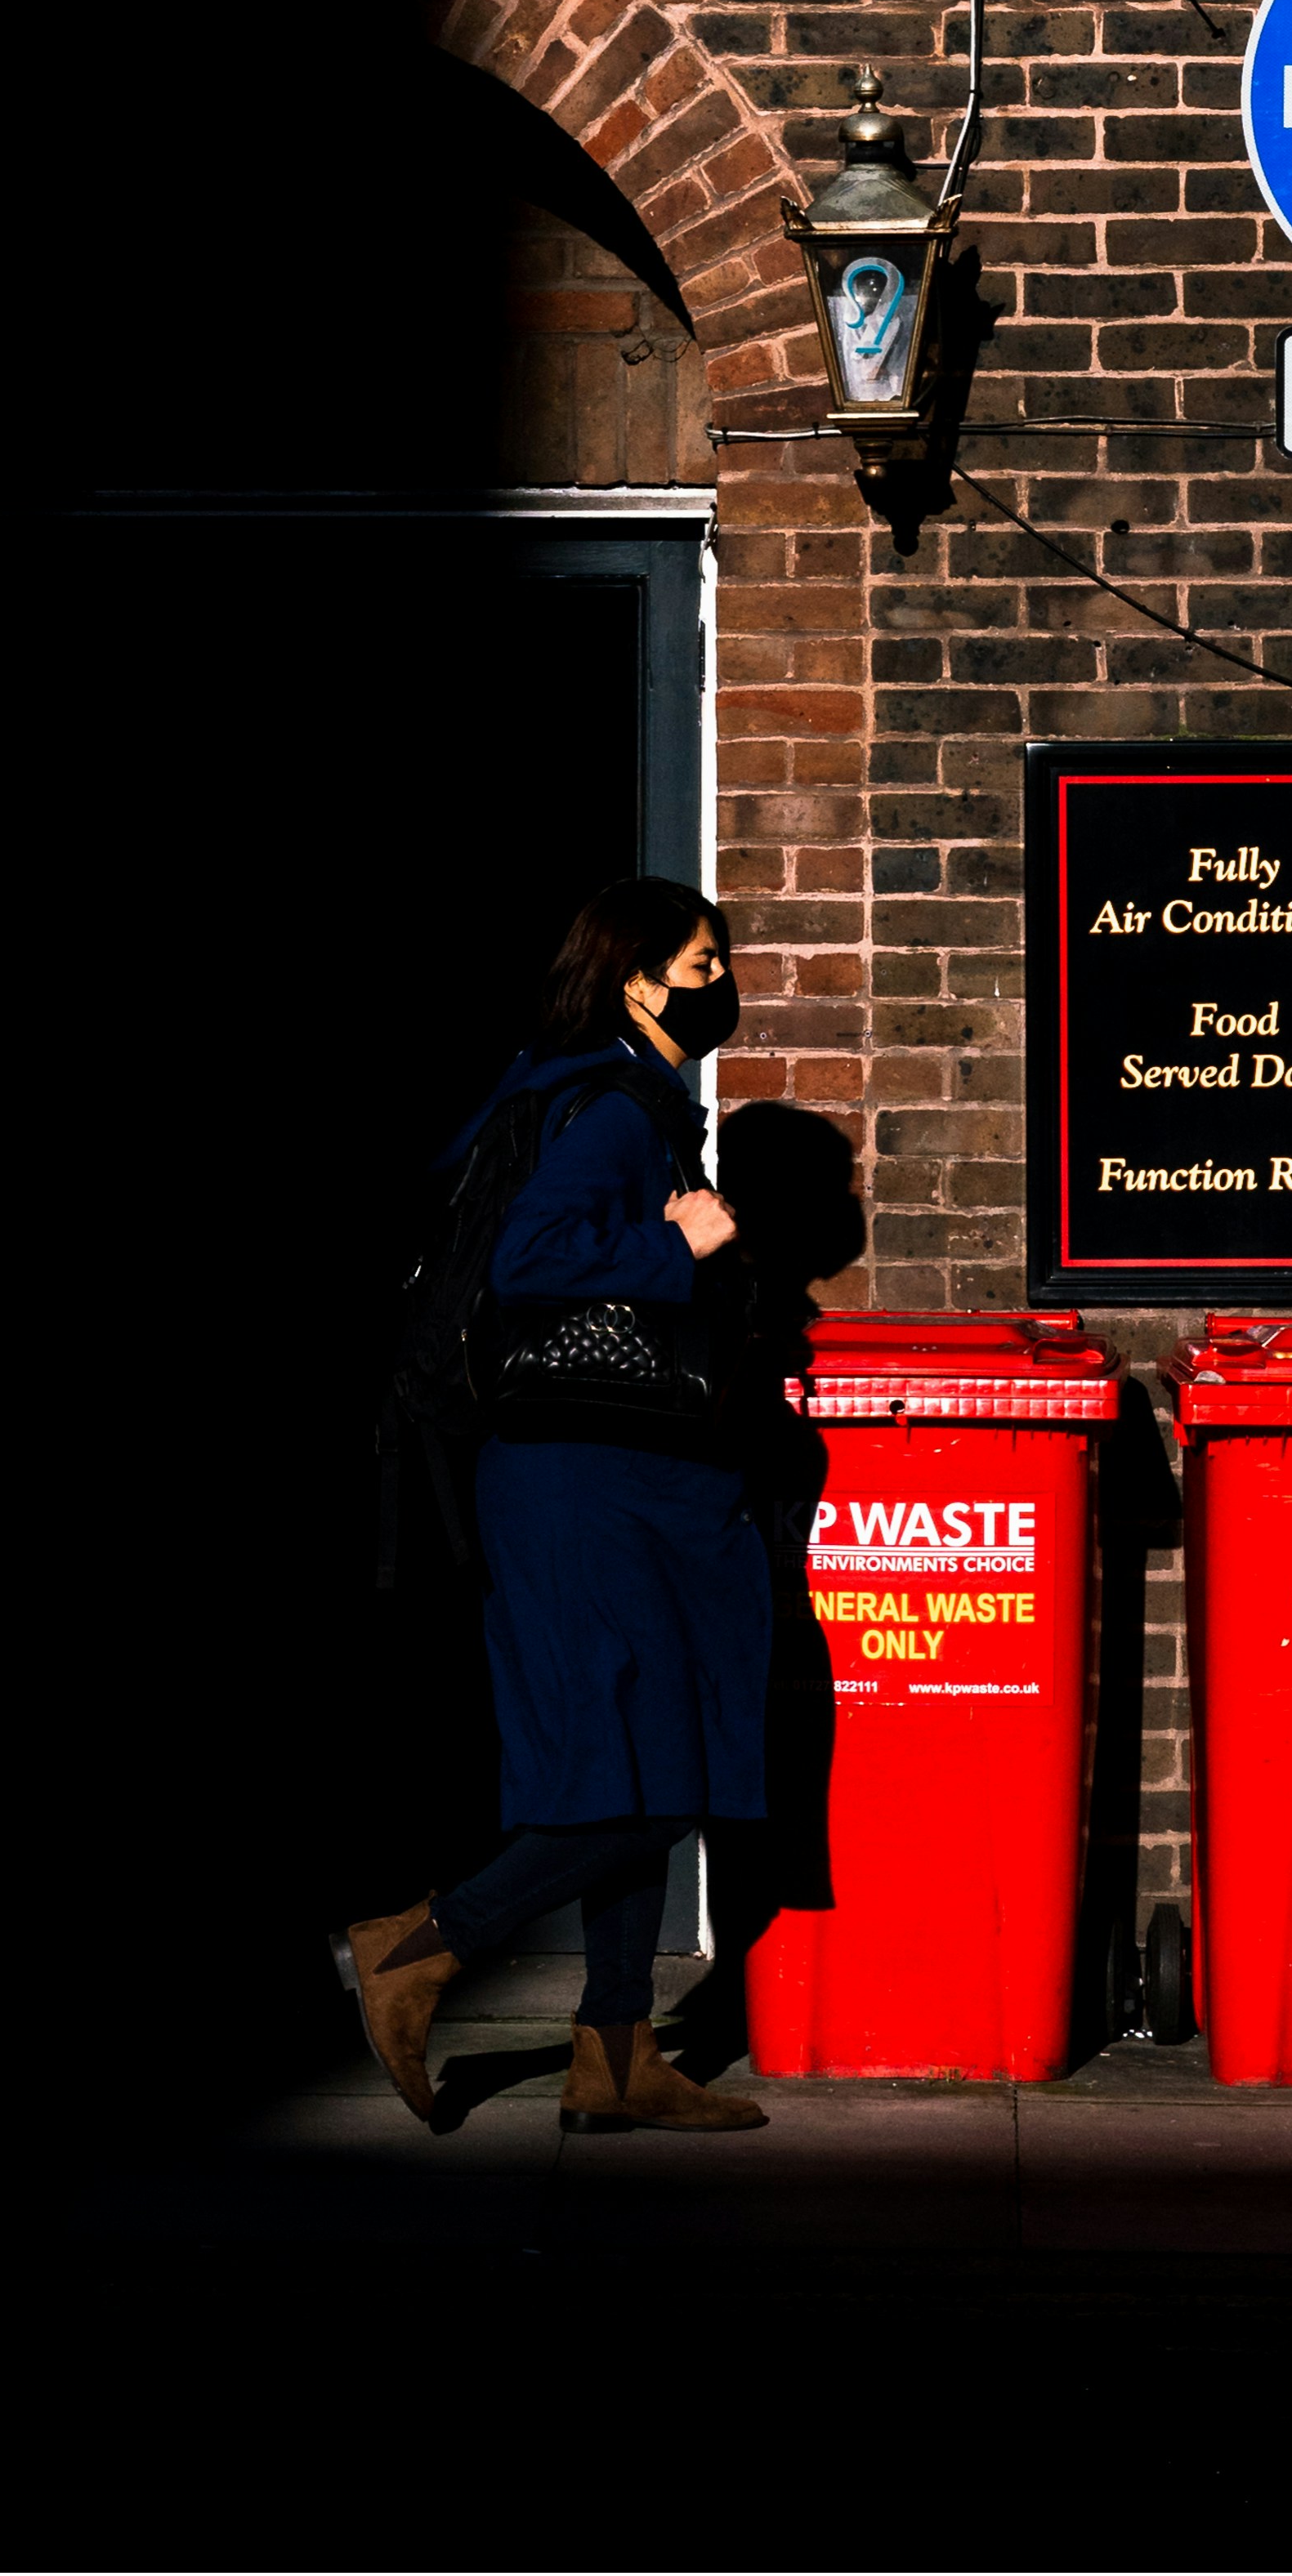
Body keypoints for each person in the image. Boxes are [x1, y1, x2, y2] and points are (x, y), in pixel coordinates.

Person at [348, 878, 783, 2134]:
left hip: (611, 1477)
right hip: (588, 1484)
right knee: (642, 1775)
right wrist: (683, 1246)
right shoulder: (607, 1106)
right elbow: (533, 1258)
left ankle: (615, 2056)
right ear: (642, 979)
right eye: (703, 961)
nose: (721, 981)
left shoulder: (621, 1099)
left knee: (638, 1753)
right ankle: (417, 1944)